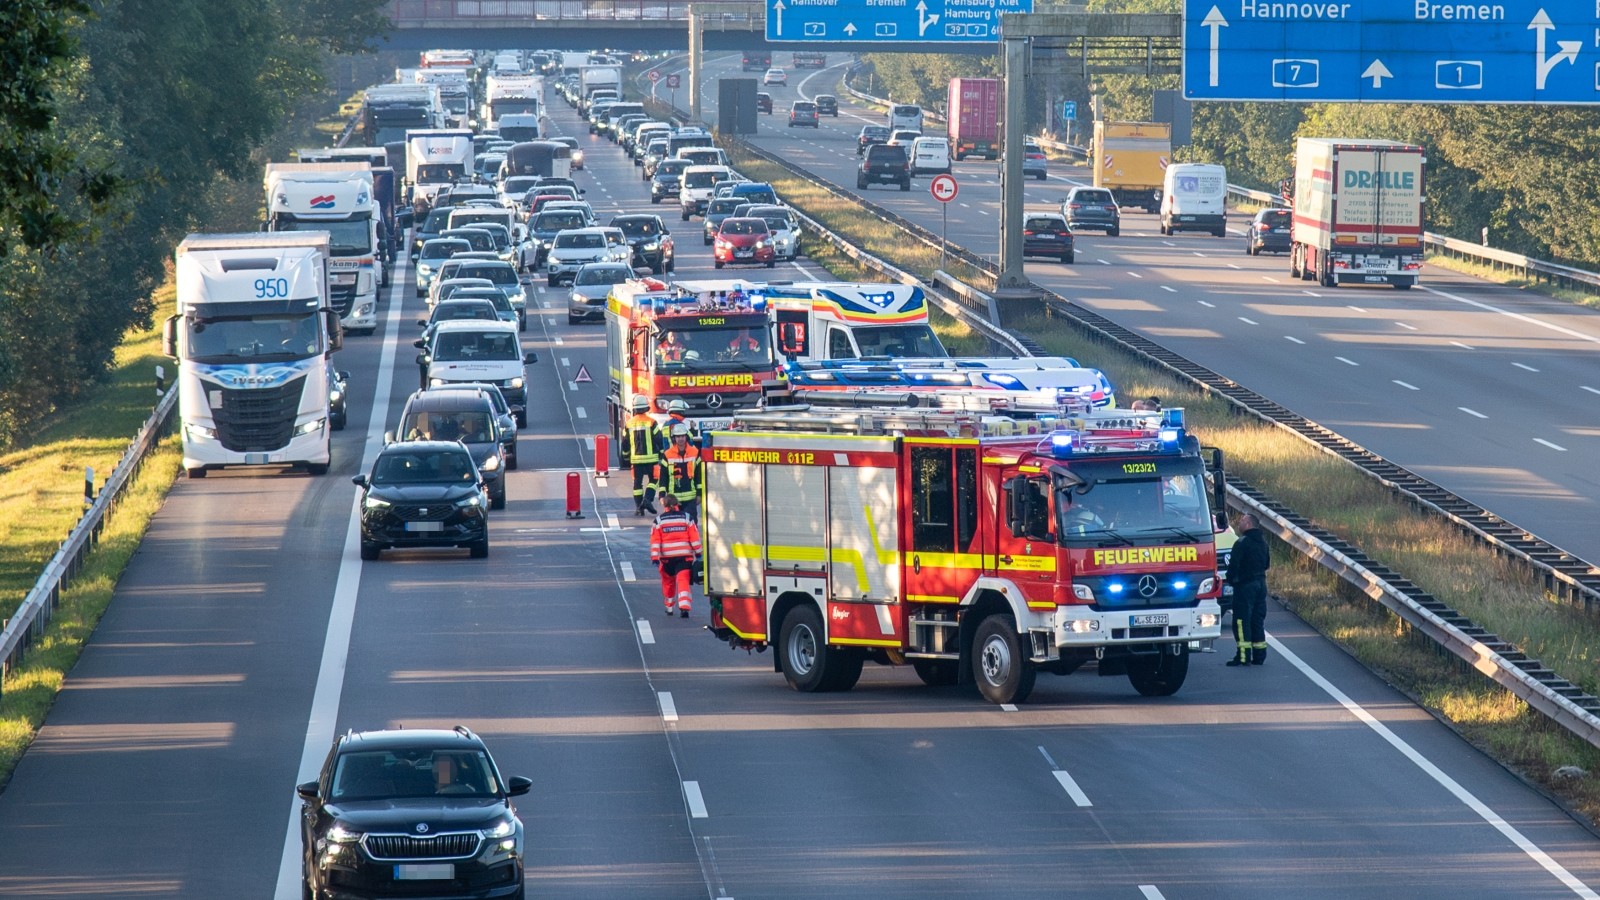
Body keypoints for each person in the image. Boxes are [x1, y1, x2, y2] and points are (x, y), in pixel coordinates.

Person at [1224, 512, 1271, 667]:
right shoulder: (1263, 543)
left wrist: (1231, 581)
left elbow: (1233, 567)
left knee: (1241, 621)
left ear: (1249, 524)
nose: (1239, 522)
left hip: (1244, 587)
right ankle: (1259, 656)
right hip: (1261, 585)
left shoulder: (1242, 543)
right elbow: (1266, 565)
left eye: (1243, 520)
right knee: (1257, 620)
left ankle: (1243, 656)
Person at [650, 493, 701, 617]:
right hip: (684, 557)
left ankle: (669, 607)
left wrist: (655, 557)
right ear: (678, 504)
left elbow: (655, 541)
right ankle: (684, 607)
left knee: (668, 583)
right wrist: (698, 552)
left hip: (667, 559)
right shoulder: (687, 518)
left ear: (665, 505)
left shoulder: (659, 520)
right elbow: (694, 538)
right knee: (683, 581)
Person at [654, 424, 703, 521]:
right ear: (674, 438)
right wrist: (662, 496)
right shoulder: (668, 454)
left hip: (690, 498)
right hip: (673, 499)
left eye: (683, 436)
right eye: (678, 436)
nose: (681, 439)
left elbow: (699, 476)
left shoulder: (695, 452)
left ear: (686, 436)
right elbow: (663, 477)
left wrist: (699, 494)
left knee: (691, 524)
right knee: (674, 526)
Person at [624, 396, 663, 515]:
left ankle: (638, 508)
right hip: (651, 459)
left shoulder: (629, 424)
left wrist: (626, 457)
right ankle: (647, 499)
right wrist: (662, 454)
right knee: (654, 479)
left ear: (634, 409)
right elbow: (659, 439)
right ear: (646, 408)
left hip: (636, 460)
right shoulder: (652, 422)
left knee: (637, 483)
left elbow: (625, 442)